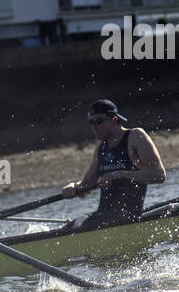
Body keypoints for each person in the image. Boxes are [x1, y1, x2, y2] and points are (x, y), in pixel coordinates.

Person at [61, 99, 167, 230]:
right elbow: (85, 186)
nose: (94, 127)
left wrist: (119, 175)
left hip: (128, 217)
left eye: (98, 121)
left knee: (79, 227)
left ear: (114, 119)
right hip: (103, 216)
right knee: (69, 227)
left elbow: (159, 175)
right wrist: (73, 187)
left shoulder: (135, 137)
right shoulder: (101, 148)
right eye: (91, 122)